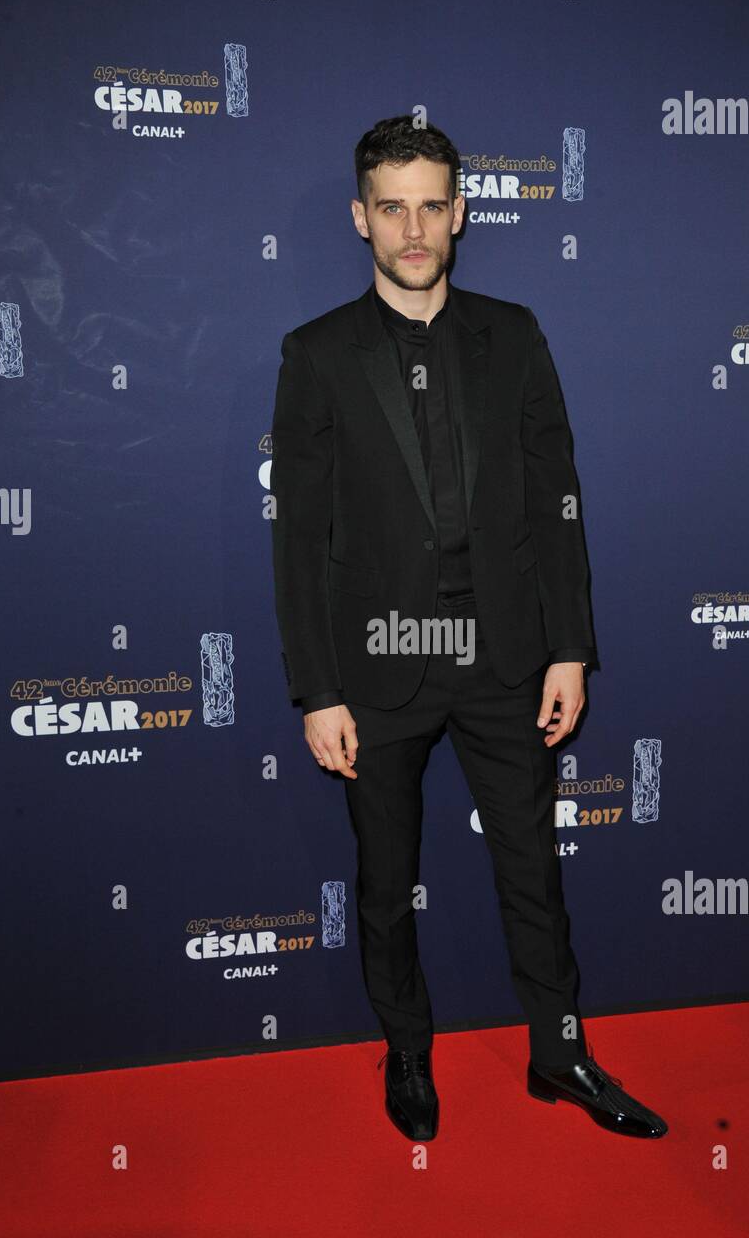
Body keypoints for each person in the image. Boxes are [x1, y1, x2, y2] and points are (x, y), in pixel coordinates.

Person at [269, 114, 667, 1143]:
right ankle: (405, 1049)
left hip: (501, 660)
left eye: (431, 206)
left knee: (532, 871)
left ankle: (560, 1053)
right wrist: (317, 690)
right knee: (386, 885)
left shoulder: (515, 333)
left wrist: (570, 646)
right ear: (361, 218)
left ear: (459, 214)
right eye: (392, 207)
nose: (413, 228)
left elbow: (555, 502)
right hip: (378, 666)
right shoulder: (316, 353)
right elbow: (299, 538)